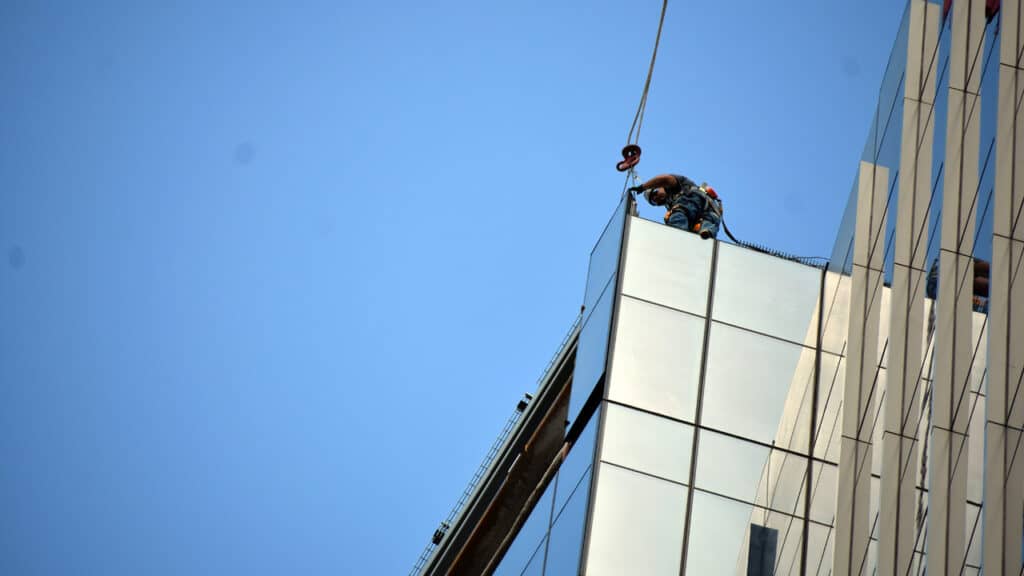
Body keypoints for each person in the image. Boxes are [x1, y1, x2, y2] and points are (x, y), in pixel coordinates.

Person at [629, 174, 723, 239]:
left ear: (660, 186)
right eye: (654, 202)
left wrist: (643, 187)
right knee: (703, 232)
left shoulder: (673, 186)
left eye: (655, 193)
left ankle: (677, 236)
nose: (657, 199)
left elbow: (665, 179)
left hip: (693, 199)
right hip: (709, 212)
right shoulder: (670, 203)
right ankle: (705, 235)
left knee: (677, 214)